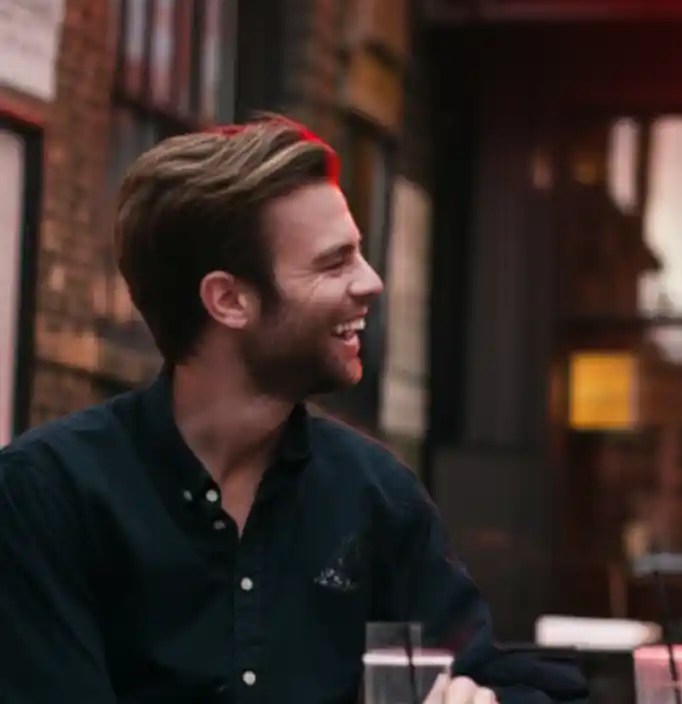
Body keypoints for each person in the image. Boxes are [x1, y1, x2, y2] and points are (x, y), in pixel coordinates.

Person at [0, 116, 586, 704]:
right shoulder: (46, 497)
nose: (372, 282)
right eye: (334, 263)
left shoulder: (375, 495)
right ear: (229, 299)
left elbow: (497, 675)